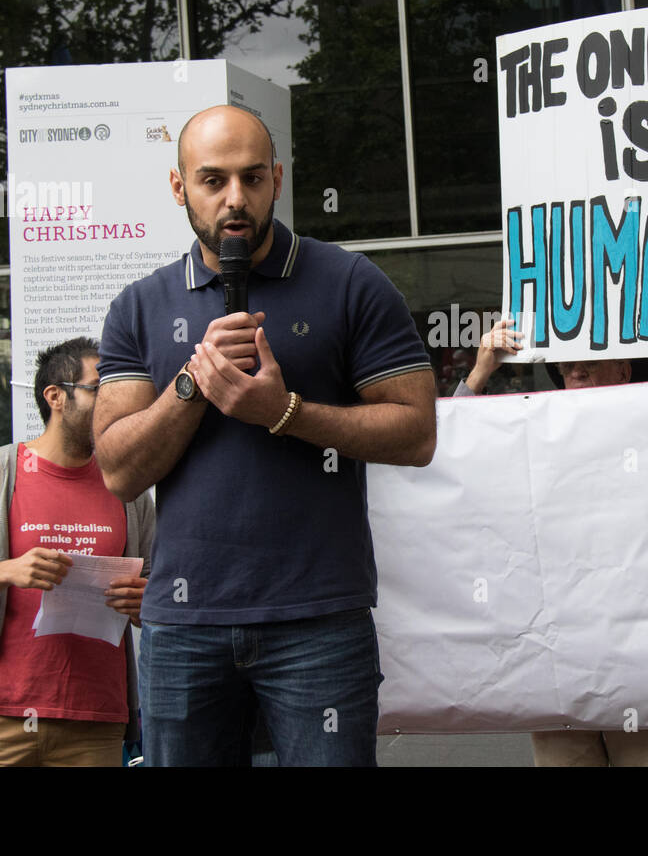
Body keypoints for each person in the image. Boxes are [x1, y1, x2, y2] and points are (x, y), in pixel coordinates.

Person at [93, 104, 436, 766]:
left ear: (278, 179)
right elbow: (119, 470)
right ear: (178, 186)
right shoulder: (139, 306)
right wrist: (195, 381)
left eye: (252, 178)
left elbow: (415, 433)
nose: (234, 200)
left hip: (318, 621)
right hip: (184, 624)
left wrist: (285, 411)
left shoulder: (349, 283)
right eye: (212, 180)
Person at [456, 319, 648, 766]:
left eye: (589, 364)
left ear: (625, 371)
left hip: (636, 653)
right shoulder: (530, 428)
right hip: (553, 654)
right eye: (567, 367)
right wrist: (479, 374)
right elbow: (454, 449)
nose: (576, 373)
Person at [0, 338, 153, 766]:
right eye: (99, 390)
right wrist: (8, 571)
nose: (115, 403)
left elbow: (164, 589)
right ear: (56, 397)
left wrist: (147, 602)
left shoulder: (130, 491)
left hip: (95, 721)